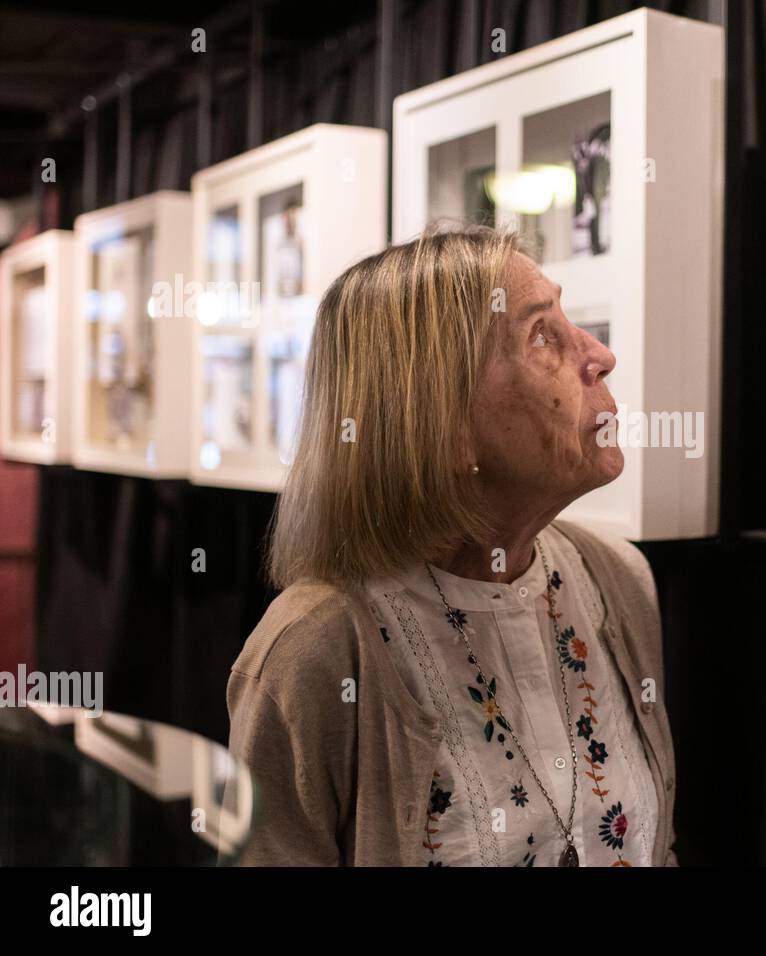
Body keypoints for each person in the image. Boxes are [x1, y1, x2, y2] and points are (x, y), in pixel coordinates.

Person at [225, 223, 679, 866]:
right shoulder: (315, 651)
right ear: (438, 416)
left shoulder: (616, 581)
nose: (599, 355)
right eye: (543, 335)